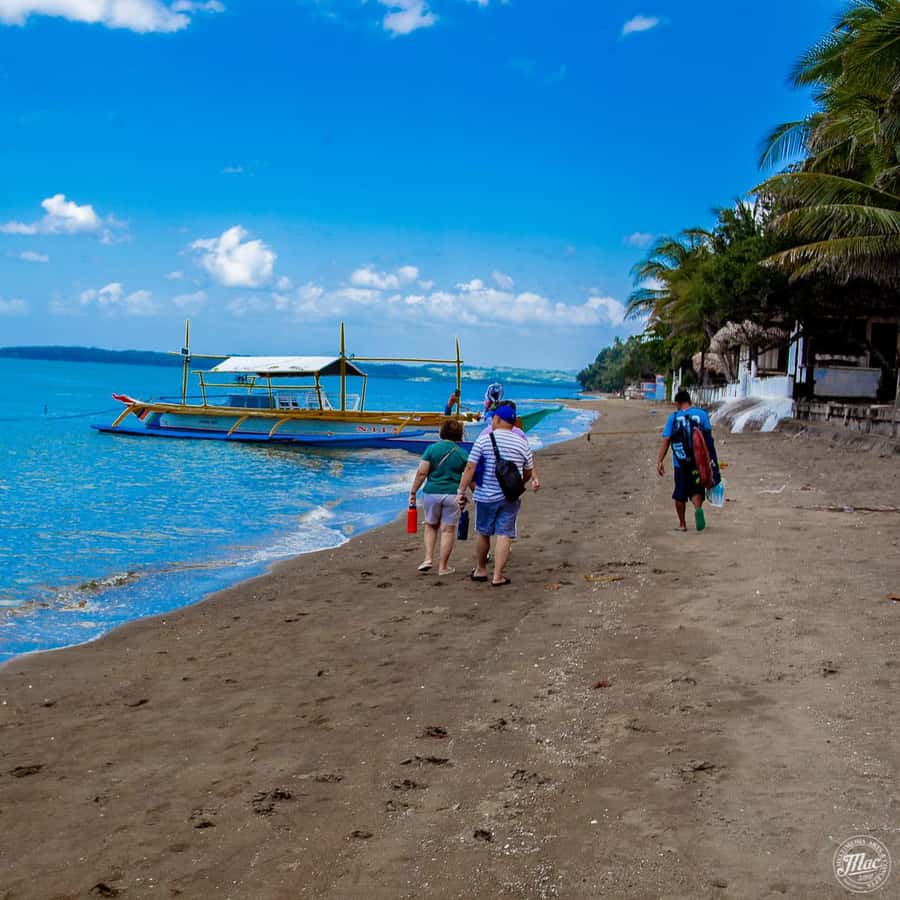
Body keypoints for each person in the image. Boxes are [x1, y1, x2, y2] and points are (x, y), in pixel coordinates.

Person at [456, 404, 533, 586]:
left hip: (485, 496)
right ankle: (498, 576)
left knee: (483, 533)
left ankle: (481, 569)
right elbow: (528, 471)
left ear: (497, 419)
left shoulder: (483, 440)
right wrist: (519, 484)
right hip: (509, 497)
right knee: (504, 534)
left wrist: (461, 491)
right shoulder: (522, 442)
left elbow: (470, 468)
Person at [409, 419, 469, 575]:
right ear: (459, 434)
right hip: (452, 494)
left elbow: (422, 473)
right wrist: (473, 494)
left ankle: (428, 559)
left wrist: (413, 490)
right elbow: (469, 476)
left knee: (430, 525)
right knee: (448, 530)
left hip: (431, 493)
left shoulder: (431, 449)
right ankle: (443, 567)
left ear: (442, 432)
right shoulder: (462, 454)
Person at [657, 389, 718, 532]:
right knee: (696, 488)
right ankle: (698, 509)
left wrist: (660, 460)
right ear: (689, 400)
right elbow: (708, 440)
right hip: (698, 462)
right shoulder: (702, 414)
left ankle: (682, 524)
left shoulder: (673, 417)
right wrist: (712, 462)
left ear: (678, 403)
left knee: (680, 492)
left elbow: (667, 440)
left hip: (680, 462)